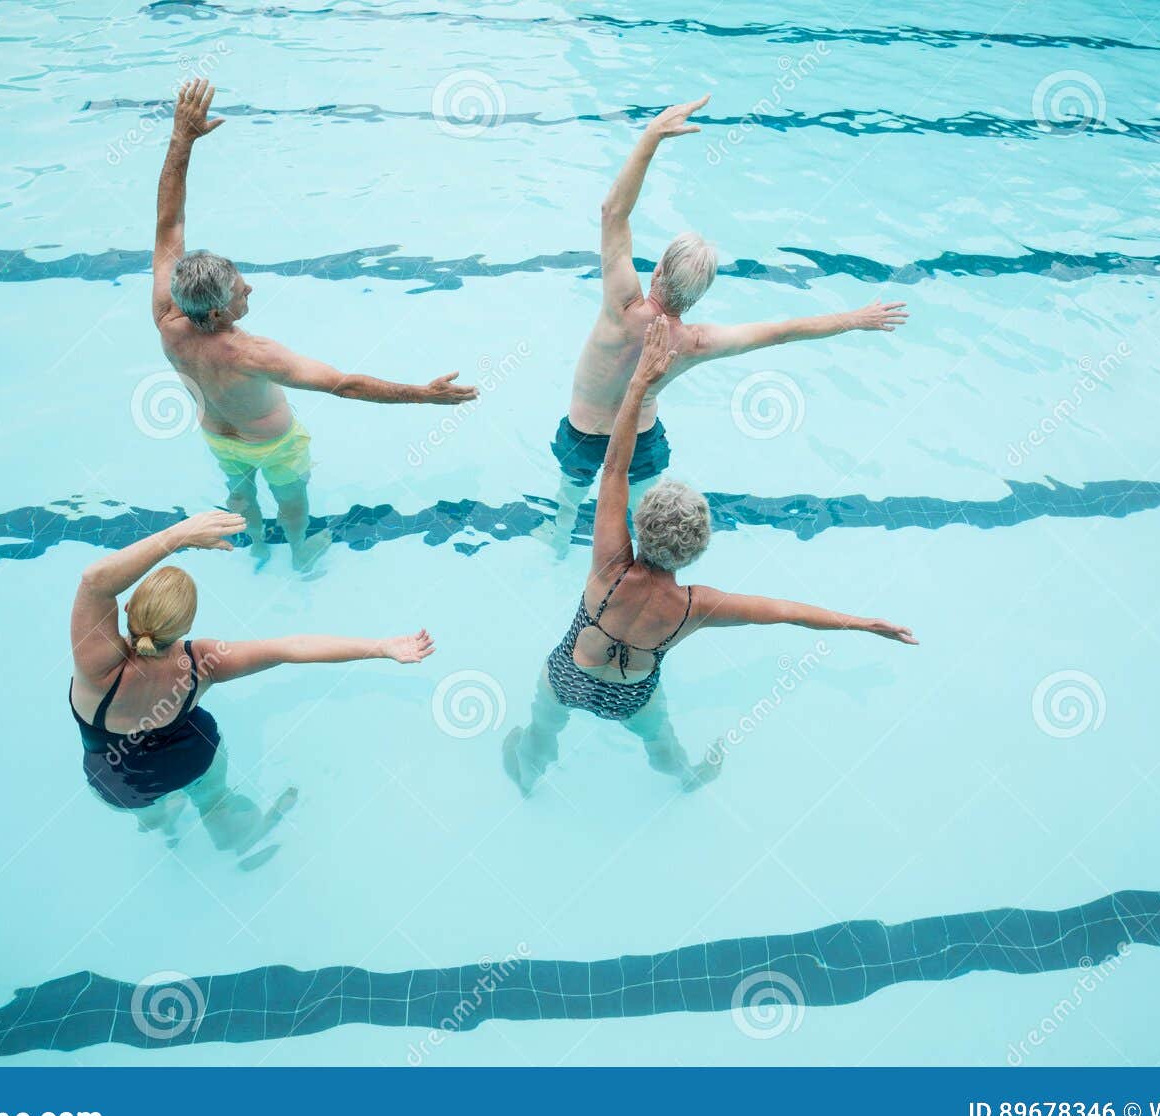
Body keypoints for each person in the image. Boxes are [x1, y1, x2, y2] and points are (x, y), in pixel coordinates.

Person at [505, 322, 918, 795]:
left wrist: (639, 384)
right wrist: (863, 624)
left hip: (568, 676)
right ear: (698, 549)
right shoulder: (695, 607)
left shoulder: (609, 567)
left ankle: (528, 771)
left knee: (541, 730)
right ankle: (685, 776)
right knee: (660, 742)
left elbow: (615, 467)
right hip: (630, 696)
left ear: (639, 524)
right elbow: (785, 612)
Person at [538, 94, 909, 555]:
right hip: (641, 442)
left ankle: (557, 543)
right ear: (698, 297)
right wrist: (854, 318)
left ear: (658, 271)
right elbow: (783, 331)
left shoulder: (622, 304)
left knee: (568, 503)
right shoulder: (696, 342)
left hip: (584, 434)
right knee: (647, 522)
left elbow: (613, 212)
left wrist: (652, 137)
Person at [151, 80, 478, 574]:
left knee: (239, 496)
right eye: (239, 290)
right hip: (274, 445)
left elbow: (168, 223)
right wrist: (423, 395)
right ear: (216, 313)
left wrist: (181, 140)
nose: (250, 289)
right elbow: (344, 385)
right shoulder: (254, 355)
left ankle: (256, 547)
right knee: (292, 502)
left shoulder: (167, 318)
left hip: (218, 437)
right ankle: (300, 549)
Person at [69, 509, 435, 861]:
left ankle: (164, 828)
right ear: (186, 627)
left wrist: (179, 534)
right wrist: (381, 647)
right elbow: (292, 648)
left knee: (149, 815)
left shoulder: (97, 667)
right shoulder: (202, 663)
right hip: (194, 760)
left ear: (128, 608)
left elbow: (95, 581)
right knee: (215, 803)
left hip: (123, 781)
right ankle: (238, 841)